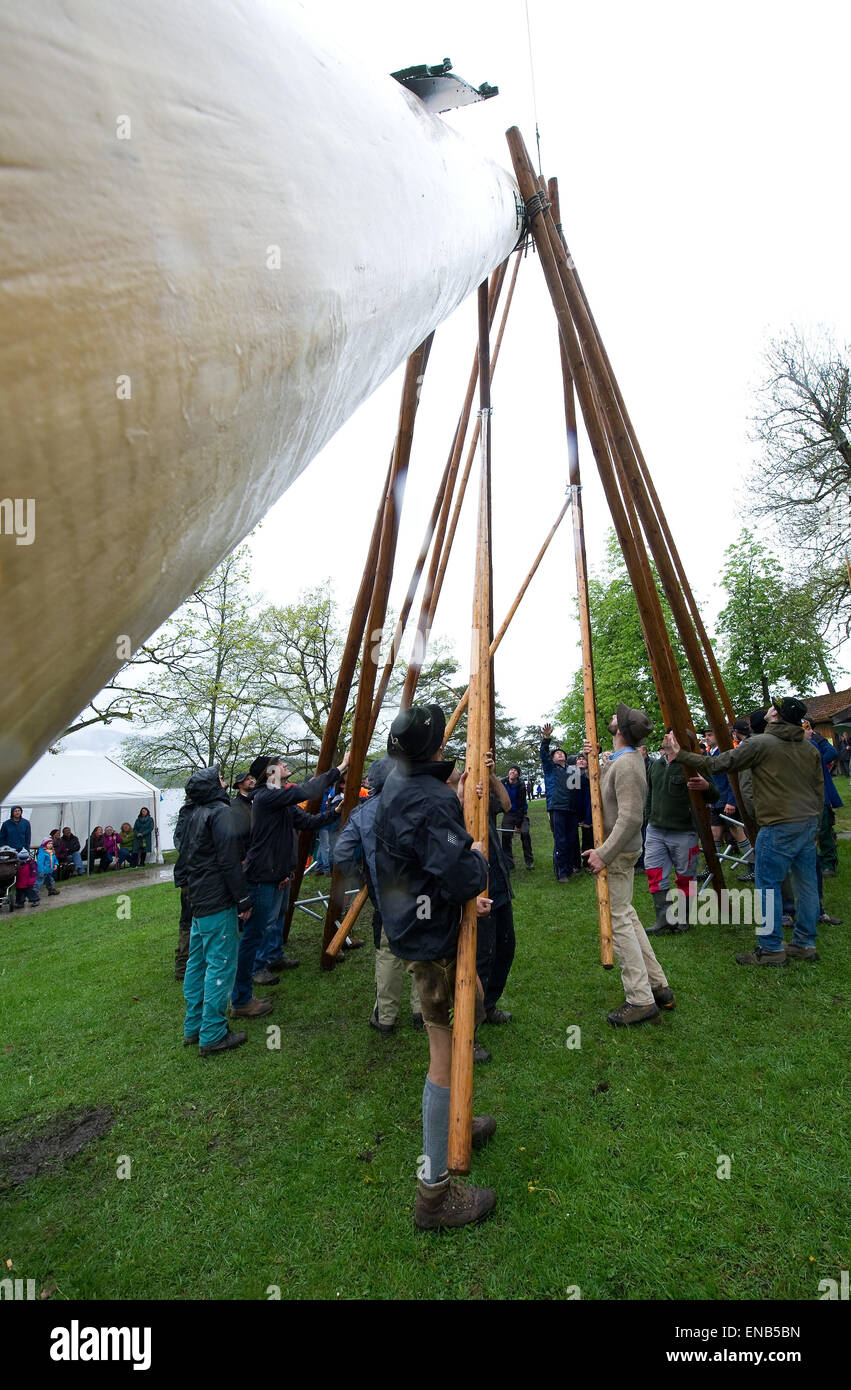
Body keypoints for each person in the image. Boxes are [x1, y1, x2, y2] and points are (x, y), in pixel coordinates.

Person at [373, 703, 497, 1231]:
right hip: (432, 942)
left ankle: (457, 1126)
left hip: (412, 927)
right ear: (435, 748)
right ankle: (434, 1193)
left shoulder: (395, 787)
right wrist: (472, 868)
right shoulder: (426, 799)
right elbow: (464, 873)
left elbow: (423, 865)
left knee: (456, 1041)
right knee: (444, 1053)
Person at [663, 696, 823, 964]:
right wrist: (816, 826)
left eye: (775, 707)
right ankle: (804, 943)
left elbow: (718, 764)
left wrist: (681, 754)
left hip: (778, 824)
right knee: (806, 885)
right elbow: (818, 790)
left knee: (767, 885)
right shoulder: (810, 749)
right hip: (806, 823)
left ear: (776, 716)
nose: (770, 709)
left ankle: (771, 949)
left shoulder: (760, 744)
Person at [582, 704, 674, 1025]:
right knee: (628, 916)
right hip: (620, 851)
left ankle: (640, 999)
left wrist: (603, 853)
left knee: (617, 921)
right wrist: (595, 759)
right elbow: (607, 791)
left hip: (619, 854)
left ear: (621, 729)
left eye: (615, 718)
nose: (610, 718)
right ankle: (658, 985)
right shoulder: (622, 760)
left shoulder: (630, 766)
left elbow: (631, 817)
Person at [235, 751, 347, 1010]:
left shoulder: (280, 801)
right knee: (255, 932)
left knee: (275, 919)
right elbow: (305, 792)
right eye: (280, 764)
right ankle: (245, 990)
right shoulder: (267, 796)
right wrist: (340, 767)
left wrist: (334, 811)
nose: (285, 766)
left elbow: (308, 821)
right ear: (270, 773)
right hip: (262, 875)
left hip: (276, 873)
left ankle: (272, 957)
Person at [333, 756, 423, 1035]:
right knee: (422, 950)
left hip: (387, 898)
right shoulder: (419, 805)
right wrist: (463, 841)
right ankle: (423, 1012)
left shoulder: (361, 814)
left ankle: (386, 1017)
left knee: (388, 953)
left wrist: (361, 877)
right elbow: (448, 837)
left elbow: (341, 853)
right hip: (422, 896)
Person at [174, 766, 254, 1056]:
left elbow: (184, 857)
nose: (223, 781)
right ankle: (213, 1033)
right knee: (220, 965)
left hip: (198, 900)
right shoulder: (219, 813)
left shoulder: (193, 813)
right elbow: (229, 861)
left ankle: (193, 1027)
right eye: (220, 778)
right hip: (217, 900)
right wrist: (243, 900)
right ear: (211, 786)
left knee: (197, 965)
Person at [643, 736, 715, 933]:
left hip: (684, 832)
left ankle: (683, 920)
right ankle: (664, 920)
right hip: (655, 831)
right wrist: (649, 816)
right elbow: (650, 794)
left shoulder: (692, 764)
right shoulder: (656, 764)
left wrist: (706, 787)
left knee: (685, 876)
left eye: (672, 733)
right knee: (655, 874)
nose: (666, 737)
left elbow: (715, 794)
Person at [539, 723, 580, 881]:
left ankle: (569, 868)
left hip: (571, 809)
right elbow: (543, 754)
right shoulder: (550, 768)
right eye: (556, 753)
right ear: (553, 758)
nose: (559, 754)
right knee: (560, 840)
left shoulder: (572, 770)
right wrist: (546, 738)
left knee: (571, 839)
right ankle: (561, 872)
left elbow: (577, 791)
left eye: (561, 752)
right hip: (557, 807)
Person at [499, 765, 534, 870]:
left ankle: (529, 861)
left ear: (518, 774)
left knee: (525, 834)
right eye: (511, 770)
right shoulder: (503, 782)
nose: (512, 771)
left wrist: (518, 825)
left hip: (521, 813)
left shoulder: (521, 786)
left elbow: (521, 806)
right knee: (505, 837)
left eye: (515, 771)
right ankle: (509, 863)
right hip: (508, 813)